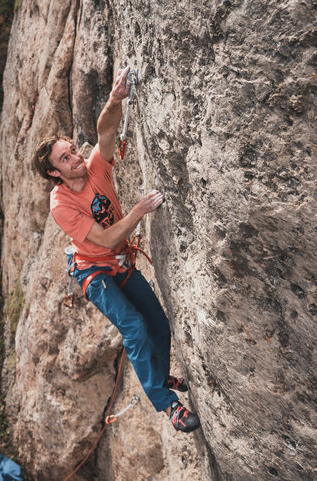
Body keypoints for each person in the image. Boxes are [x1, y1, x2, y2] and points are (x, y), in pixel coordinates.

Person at [32, 66, 201, 433]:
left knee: (157, 321)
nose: (76, 158)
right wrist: (139, 210)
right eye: (65, 159)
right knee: (135, 328)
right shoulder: (60, 204)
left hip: (119, 261)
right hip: (93, 270)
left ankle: (158, 377)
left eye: (72, 151)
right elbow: (106, 240)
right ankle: (168, 406)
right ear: (54, 174)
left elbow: (106, 131)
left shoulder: (94, 168)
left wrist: (115, 98)